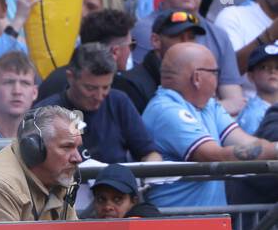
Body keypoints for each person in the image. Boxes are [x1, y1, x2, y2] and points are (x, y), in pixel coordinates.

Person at [142, 41, 278, 210]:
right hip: (175, 227)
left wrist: (272, 148)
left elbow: (247, 143)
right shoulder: (166, 110)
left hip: (210, 224)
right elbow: (215, 156)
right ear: (197, 78)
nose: (218, 78)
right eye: (215, 72)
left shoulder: (209, 106)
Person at [39, 42, 162, 164]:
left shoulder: (118, 102)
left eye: (105, 87)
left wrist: (150, 168)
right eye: (90, 88)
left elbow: (149, 153)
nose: (99, 96)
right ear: (71, 78)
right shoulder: (45, 113)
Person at [86, 162, 163, 219]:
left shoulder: (145, 224)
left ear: (134, 201)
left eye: (117, 199)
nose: (108, 207)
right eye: (101, 199)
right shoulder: (85, 229)